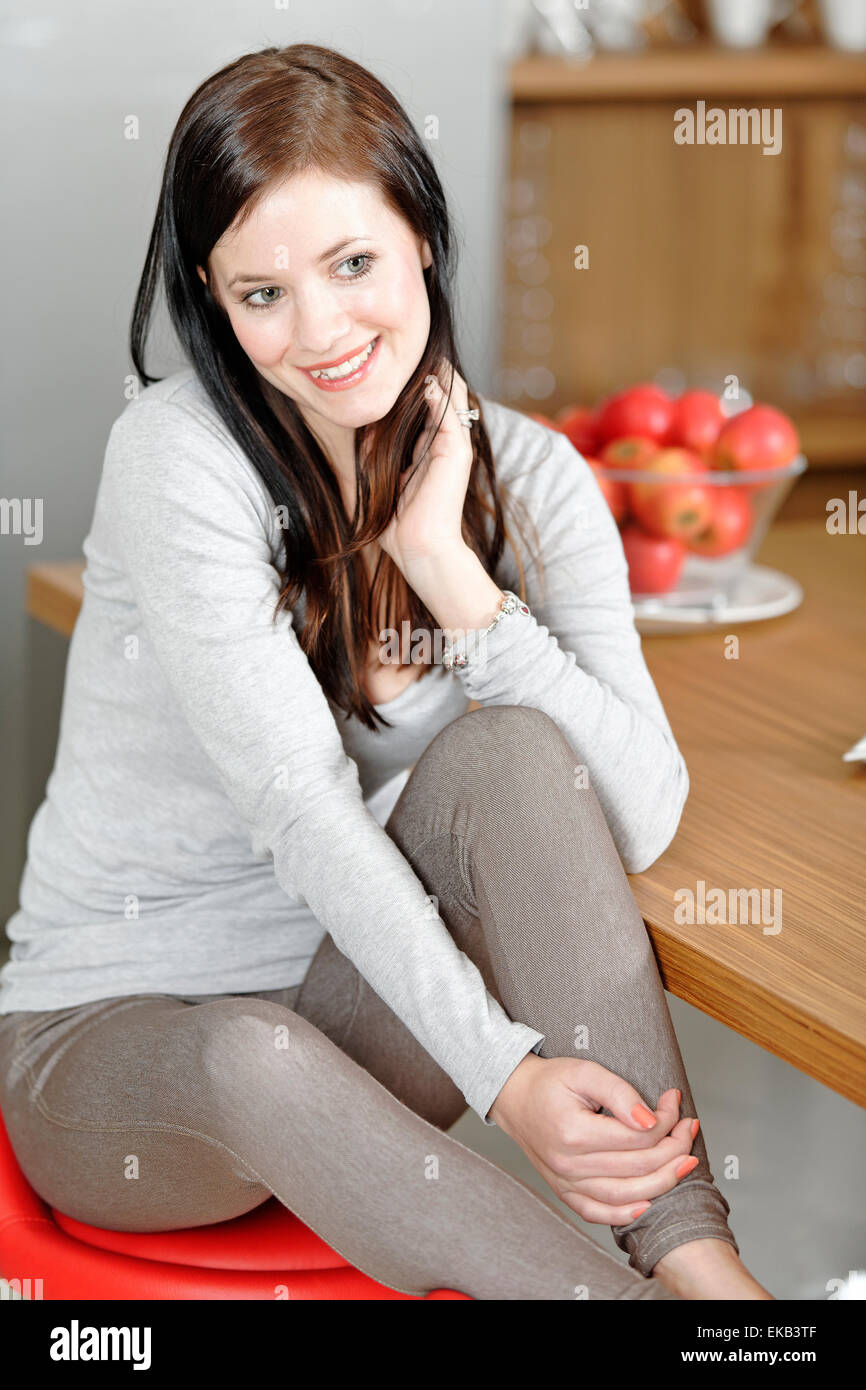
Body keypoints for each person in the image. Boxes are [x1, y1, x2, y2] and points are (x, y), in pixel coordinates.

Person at [0, 42, 772, 1301]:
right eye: (260, 295)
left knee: (514, 755)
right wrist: (506, 1081)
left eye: (353, 264)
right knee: (245, 1051)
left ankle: (707, 1279)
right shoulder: (177, 459)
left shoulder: (530, 476)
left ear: (420, 234)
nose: (319, 335)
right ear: (211, 295)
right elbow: (301, 806)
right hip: (113, 1066)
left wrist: (460, 588)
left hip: (344, 1020)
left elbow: (636, 811)